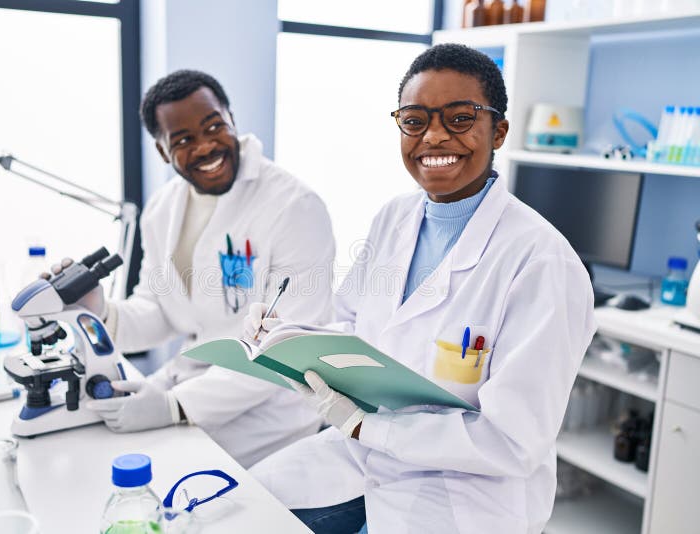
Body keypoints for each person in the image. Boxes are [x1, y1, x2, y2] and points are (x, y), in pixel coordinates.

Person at [244, 44, 596, 533]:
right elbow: (352, 323)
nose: (433, 136)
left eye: (459, 118)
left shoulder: (542, 262)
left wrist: (369, 425)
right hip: (361, 456)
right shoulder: (395, 217)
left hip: (465, 495)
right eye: (415, 120)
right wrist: (290, 337)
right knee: (239, 509)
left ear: (499, 131)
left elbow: (513, 439)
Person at [56, 70, 335, 468]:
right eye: (184, 140)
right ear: (162, 150)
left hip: (272, 414)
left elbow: (287, 350)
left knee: (171, 479)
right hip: (191, 382)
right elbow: (160, 311)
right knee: (99, 456)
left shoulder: (294, 206)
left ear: (232, 120)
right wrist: (101, 310)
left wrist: (176, 406)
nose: (206, 146)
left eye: (214, 126)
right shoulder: (163, 208)